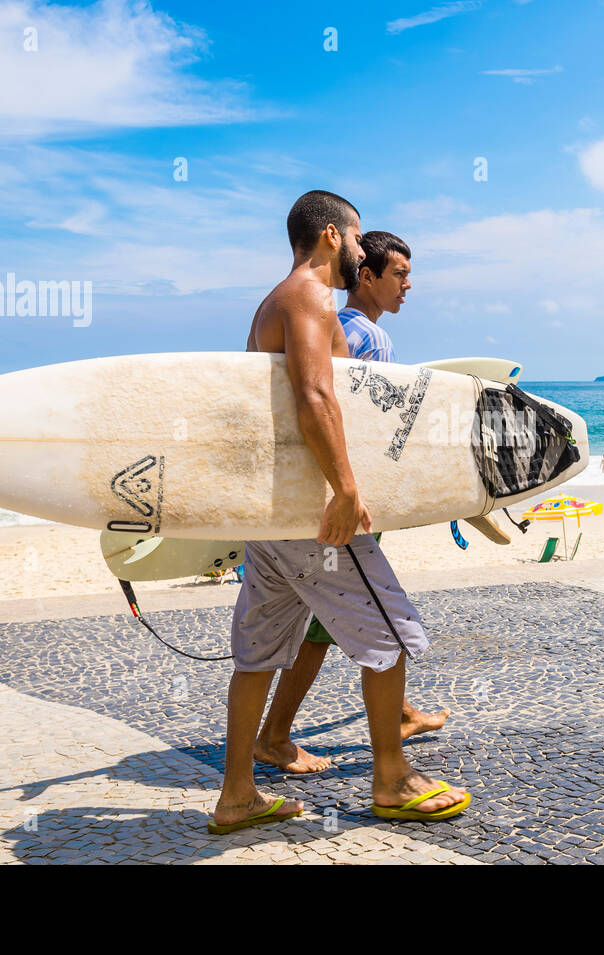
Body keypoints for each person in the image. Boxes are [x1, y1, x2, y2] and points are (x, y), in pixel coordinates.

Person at [211, 190, 469, 833]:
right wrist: (347, 489)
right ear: (332, 236)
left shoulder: (281, 301)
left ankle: (238, 794)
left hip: (271, 518)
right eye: (356, 239)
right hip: (311, 512)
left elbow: (346, 397)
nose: (361, 248)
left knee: (259, 654)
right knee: (391, 634)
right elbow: (315, 391)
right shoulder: (306, 295)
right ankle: (392, 778)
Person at [255, 230, 449, 778]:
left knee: (316, 622)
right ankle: (371, 760)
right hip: (341, 499)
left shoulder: (328, 323)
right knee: (344, 622)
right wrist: (366, 492)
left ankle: (398, 713)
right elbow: (369, 424)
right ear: (366, 275)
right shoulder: (366, 337)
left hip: (306, 500)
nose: (408, 285)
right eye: (399, 274)